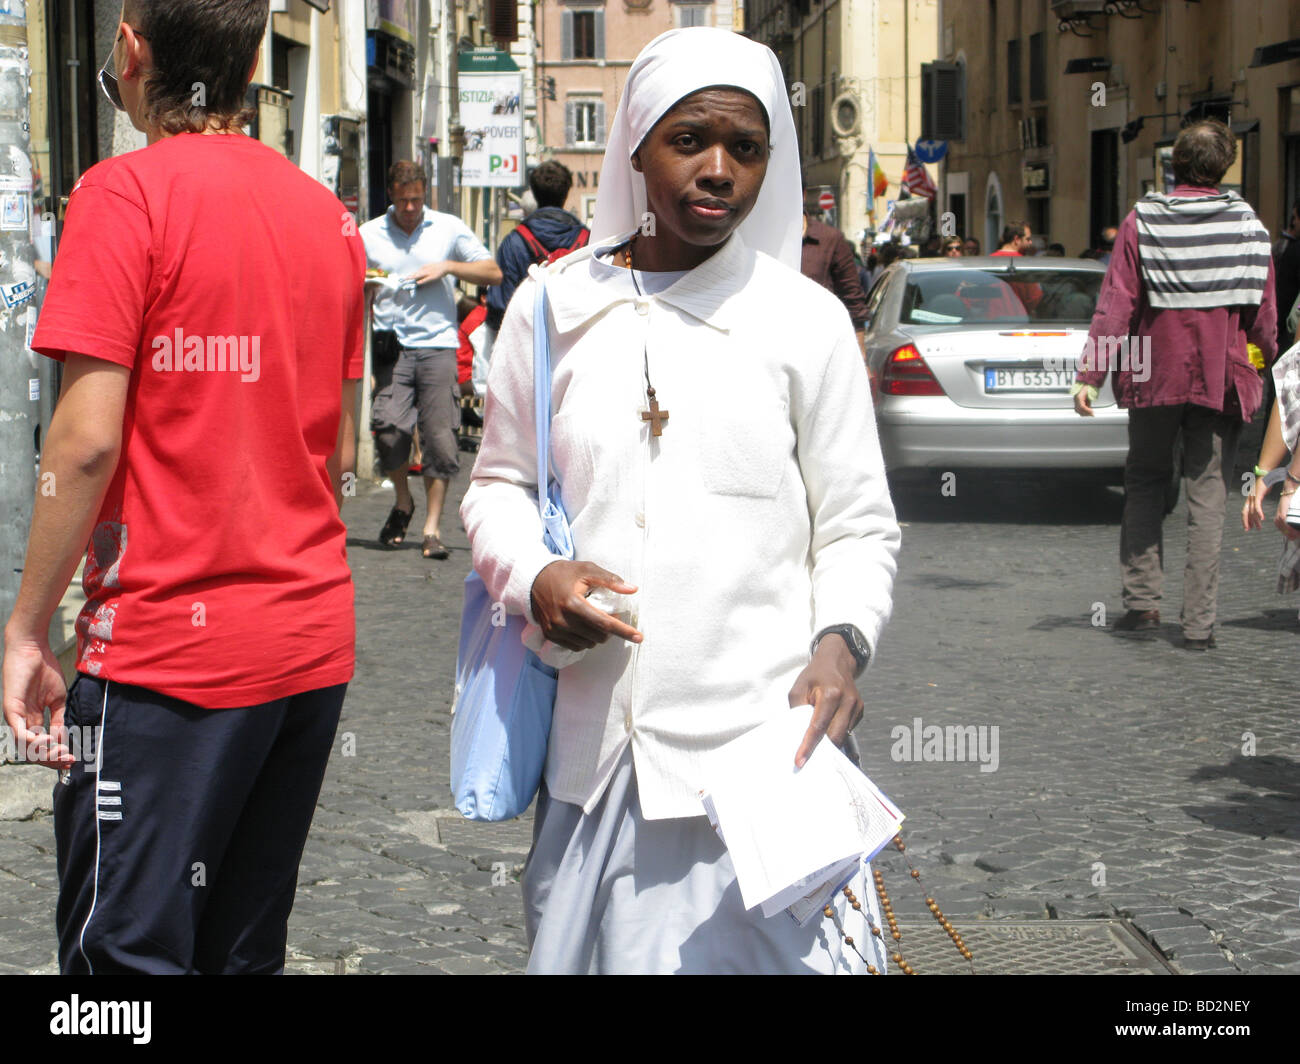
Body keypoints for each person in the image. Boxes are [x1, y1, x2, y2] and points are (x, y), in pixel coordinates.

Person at [460, 26, 901, 975]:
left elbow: (859, 524)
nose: (717, 170)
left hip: (763, 768)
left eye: (745, 149)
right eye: (690, 139)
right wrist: (535, 576)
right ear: (636, 143)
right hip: (597, 760)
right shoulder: (551, 308)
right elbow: (496, 484)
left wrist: (841, 644)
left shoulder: (806, 324)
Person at [1, 0, 364, 974]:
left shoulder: (123, 195)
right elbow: (324, 447)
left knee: (124, 960)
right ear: (252, 61)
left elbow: (82, 445)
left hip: (168, 656)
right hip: (306, 642)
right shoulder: (326, 217)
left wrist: (28, 627)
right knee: (240, 950)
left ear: (130, 49)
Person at [1073, 118, 1277, 650]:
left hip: (1150, 371)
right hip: (1219, 374)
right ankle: (1199, 625)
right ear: (1225, 166)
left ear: (1175, 165)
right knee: (1208, 493)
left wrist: (1090, 376)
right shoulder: (1249, 226)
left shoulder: (1142, 221)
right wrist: (1276, 365)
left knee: (1144, 480)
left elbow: (1117, 303)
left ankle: (1142, 606)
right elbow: (1263, 315)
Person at [361, 162, 502, 559]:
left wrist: (449, 267)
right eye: (403, 201)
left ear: (426, 195)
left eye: (417, 200)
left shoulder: (448, 227)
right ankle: (403, 502)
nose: (410, 208)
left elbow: (492, 272)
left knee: (440, 439)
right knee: (388, 428)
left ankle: (431, 529)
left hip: (439, 345)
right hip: (392, 345)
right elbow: (343, 277)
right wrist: (365, 282)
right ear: (391, 195)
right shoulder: (367, 234)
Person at [486, 160, 590, 333]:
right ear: (566, 194)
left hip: (529, 343)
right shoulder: (588, 240)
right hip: (574, 344)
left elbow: (500, 307)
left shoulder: (514, 242)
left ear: (534, 192)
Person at [802, 202, 871, 353]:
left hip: (820, 348)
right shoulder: (756, 236)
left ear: (803, 194)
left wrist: (861, 356)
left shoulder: (830, 239)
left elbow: (852, 298)